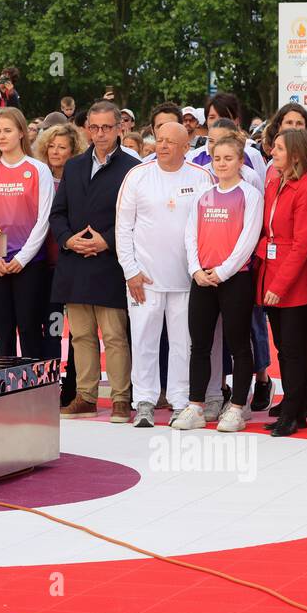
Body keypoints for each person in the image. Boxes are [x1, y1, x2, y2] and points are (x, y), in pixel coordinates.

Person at [115, 120, 218, 427]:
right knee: (144, 340)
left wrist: (199, 270)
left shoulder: (202, 178)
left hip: (187, 280)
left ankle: (180, 401)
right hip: (143, 279)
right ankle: (144, 401)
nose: (162, 146)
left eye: (170, 142)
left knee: (182, 344)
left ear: (186, 147)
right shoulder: (138, 176)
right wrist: (130, 271)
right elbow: (123, 226)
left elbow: (210, 227)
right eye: (159, 140)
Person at [51, 102, 139, 421]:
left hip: (111, 263)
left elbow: (137, 218)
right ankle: (85, 396)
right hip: (75, 262)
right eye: (94, 127)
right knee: (81, 335)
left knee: (114, 335)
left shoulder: (132, 168)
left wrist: (108, 240)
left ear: (120, 129)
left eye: (106, 127)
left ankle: (120, 398)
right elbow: (58, 213)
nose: (100, 133)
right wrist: (67, 239)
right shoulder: (73, 166)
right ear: (87, 128)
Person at [178, 136, 263, 433]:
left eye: (229, 158)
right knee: (199, 345)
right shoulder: (203, 195)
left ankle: (238, 407)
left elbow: (248, 239)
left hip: (235, 279)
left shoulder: (250, 195)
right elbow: (191, 234)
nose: (222, 163)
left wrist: (223, 271)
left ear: (241, 161)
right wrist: (196, 270)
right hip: (202, 278)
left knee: (239, 345)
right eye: (217, 158)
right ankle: (196, 406)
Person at [0, 107, 54, 358]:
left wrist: (22, 258)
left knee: (29, 329)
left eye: (7, 130)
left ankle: (32, 391)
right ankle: (2, 391)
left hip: (29, 263)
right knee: (3, 331)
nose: (1, 136)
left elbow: (44, 219)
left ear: (21, 133)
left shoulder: (38, 170)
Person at [257, 128, 307, 437]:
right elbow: (267, 232)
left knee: (294, 348)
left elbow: (301, 244)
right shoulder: (274, 182)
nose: (273, 153)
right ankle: (294, 407)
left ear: (295, 154)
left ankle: (294, 411)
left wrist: (278, 285)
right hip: (271, 271)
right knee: (285, 346)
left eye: (280, 149)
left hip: (292, 281)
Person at [34, 122, 85, 406]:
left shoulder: (79, 178)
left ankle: (74, 384)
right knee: (51, 328)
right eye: (51, 146)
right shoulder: (39, 176)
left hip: (72, 264)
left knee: (78, 330)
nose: (55, 151)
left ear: (73, 150)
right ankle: (47, 384)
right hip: (43, 265)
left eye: (62, 147)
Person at [265, 103, 307, 175]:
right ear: (279, 127)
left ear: (306, 128)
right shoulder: (271, 165)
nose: (294, 127)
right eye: (289, 122)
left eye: (299, 123)